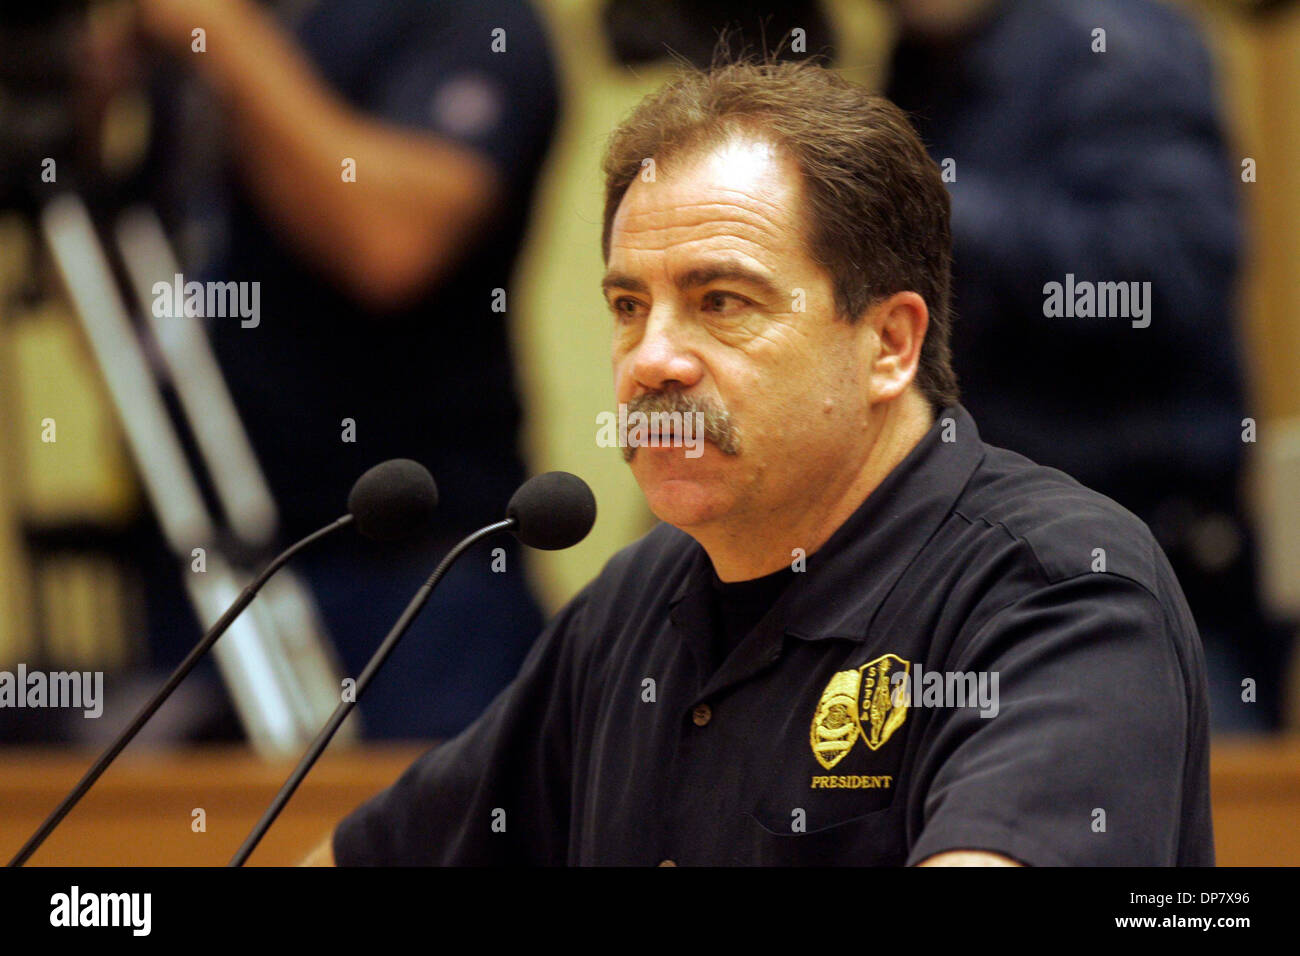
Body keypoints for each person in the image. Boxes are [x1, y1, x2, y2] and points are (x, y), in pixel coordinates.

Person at [306, 58, 1212, 866]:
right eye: (628, 307)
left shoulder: (1060, 590)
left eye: (722, 301)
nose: (652, 359)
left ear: (889, 344)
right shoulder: (634, 603)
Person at [129, 0, 559, 738]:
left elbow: (392, 246)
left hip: (411, 575)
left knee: (427, 811)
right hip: (194, 557)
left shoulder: (469, 21)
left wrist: (222, 34)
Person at [883, 0, 1290, 731]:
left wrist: (926, 206)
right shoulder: (921, 61)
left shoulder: (1114, 42)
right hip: (977, 576)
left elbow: (1164, 280)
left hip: (1146, 581)